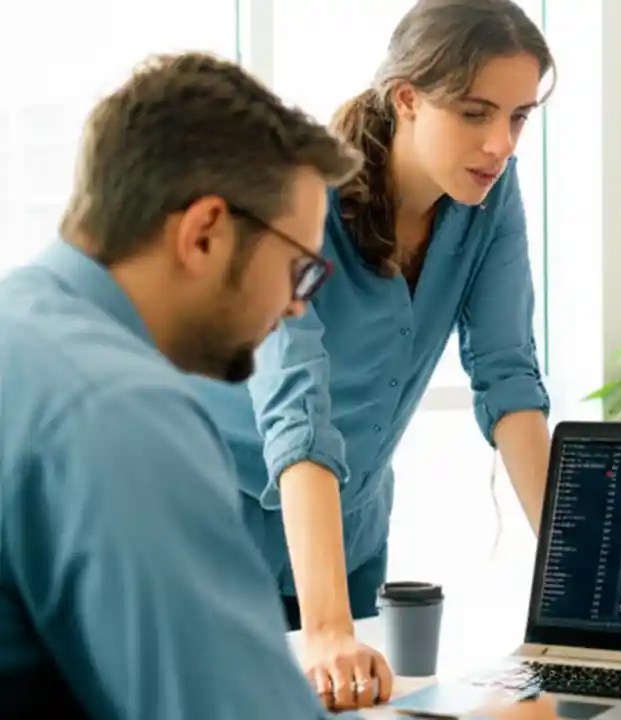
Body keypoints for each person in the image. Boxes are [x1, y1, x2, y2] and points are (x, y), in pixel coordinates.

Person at [188, 0, 556, 708]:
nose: (502, 143)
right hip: (209, 523)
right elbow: (297, 403)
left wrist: (581, 589)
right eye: (477, 113)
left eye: (518, 116)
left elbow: (509, 376)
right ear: (408, 98)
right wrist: (326, 629)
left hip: (347, 533)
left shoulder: (490, 196)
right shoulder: (292, 197)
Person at [0, 52, 362, 717]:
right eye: (300, 270)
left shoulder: (20, 337)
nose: (298, 307)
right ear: (204, 235)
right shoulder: (121, 412)